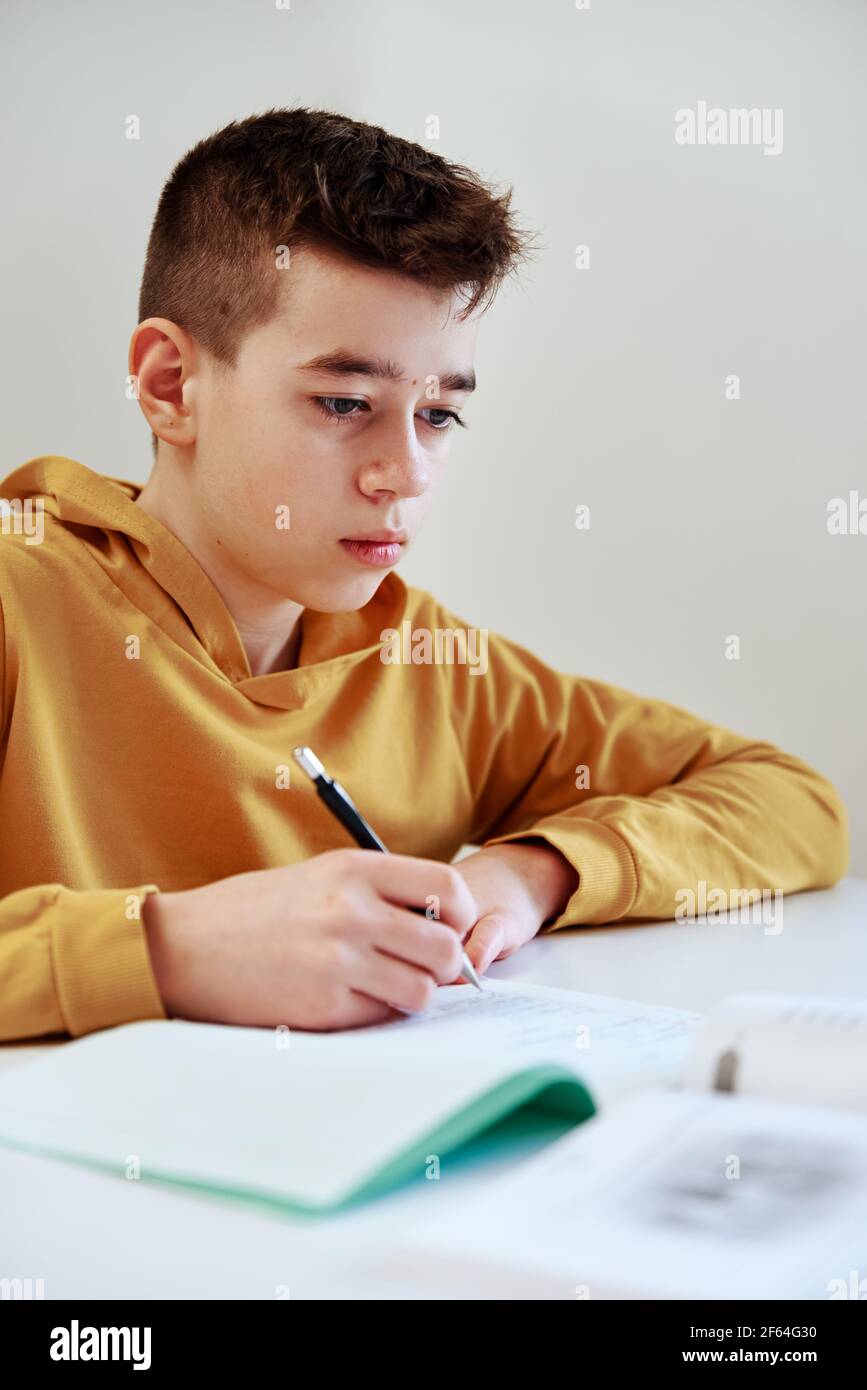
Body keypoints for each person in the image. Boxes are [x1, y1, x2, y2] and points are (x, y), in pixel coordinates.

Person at [0, 108, 848, 1041]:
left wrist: (536, 872)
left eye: (439, 414)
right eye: (344, 402)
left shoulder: (429, 663)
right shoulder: (20, 602)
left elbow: (791, 803)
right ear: (170, 385)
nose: (403, 474)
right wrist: (168, 951)